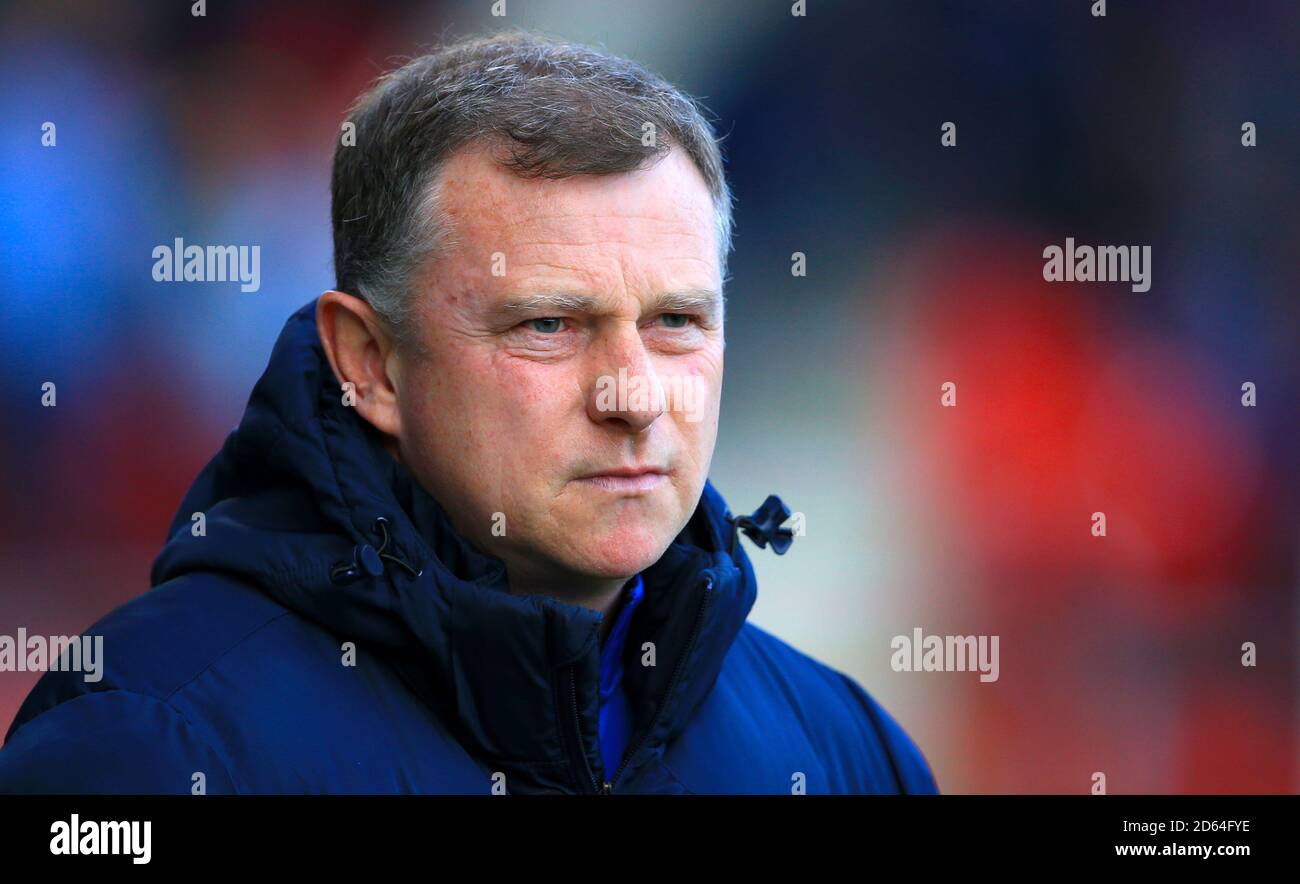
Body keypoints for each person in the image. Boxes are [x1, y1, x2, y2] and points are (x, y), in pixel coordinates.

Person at [0, 31, 938, 794]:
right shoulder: (149, 749)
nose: (634, 395)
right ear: (369, 364)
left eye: (677, 322)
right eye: (548, 325)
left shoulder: (847, 752)